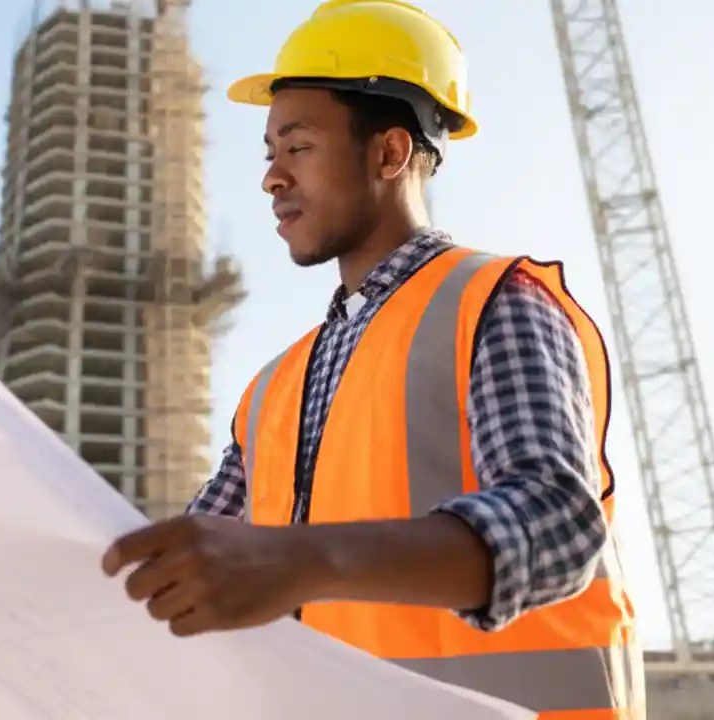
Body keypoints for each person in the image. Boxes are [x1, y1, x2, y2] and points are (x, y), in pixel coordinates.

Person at [99, 1, 644, 718]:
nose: (271, 178)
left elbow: (556, 522)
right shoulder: (275, 387)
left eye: (298, 147)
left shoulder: (493, 302)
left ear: (388, 153)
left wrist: (301, 559)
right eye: (269, 154)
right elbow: (174, 570)